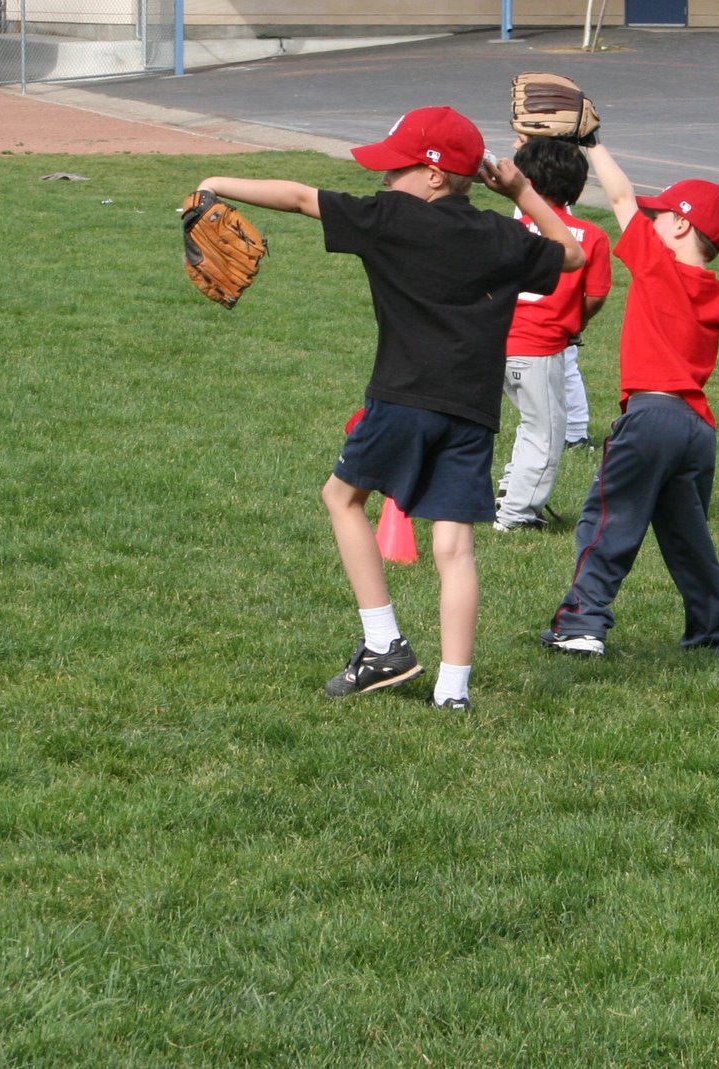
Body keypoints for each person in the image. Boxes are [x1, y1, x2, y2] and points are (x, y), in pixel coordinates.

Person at [196, 106, 583, 710]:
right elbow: (572, 254)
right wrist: (521, 191)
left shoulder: (391, 218)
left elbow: (300, 197)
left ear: (433, 175)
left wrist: (215, 185)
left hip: (402, 398)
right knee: (453, 547)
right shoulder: (499, 235)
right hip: (472, 412)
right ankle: (453, 693)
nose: (384, 178)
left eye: (396, 167)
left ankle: (384, 645)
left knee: (341, 497)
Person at [540, 138, 719, 657]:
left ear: (682, 227)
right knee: (687, 537)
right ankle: (716, 634)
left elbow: (620, 198)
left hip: (652, 418)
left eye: (660, 216)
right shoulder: (718, 294)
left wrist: (592, 144)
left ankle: (581, 622)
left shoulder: (658, 265)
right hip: (696, 432)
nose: (649, 222)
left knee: (608, 519)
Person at [494, 137, 612, 531]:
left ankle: (509, 491)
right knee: (546, 434)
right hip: (541, 348)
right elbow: (596, 295)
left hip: (493, 343)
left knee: (530, 424)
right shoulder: (589, 235)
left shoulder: (505, 228)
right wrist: (574, 322)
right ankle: (516, 516)